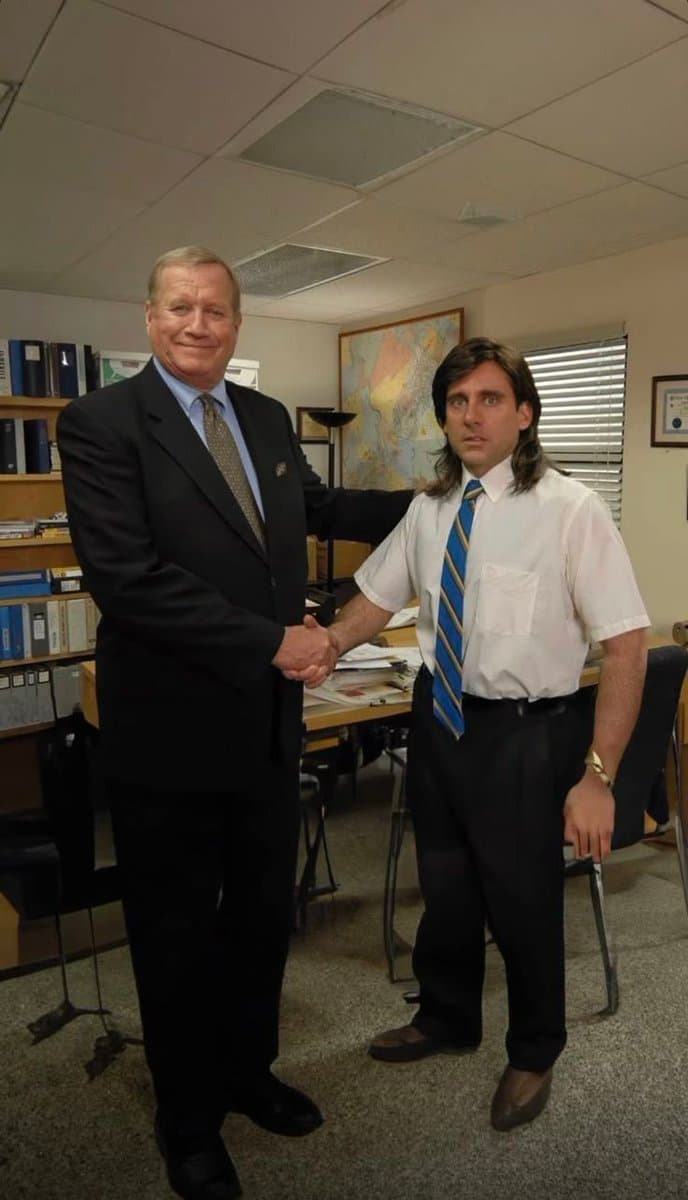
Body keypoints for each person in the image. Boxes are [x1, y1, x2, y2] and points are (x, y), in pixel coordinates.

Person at [57, 245, 412, 1200]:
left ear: (237, 322)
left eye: (216, 309)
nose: (198, 324)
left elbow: (319, 504)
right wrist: (273, 642)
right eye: (180, 307)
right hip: (168, 738)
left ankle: (248, 1074)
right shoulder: (99, 424)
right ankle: (187, 1123)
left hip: (265, 733)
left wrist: (432, 498)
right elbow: (128, 582)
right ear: (149, 316)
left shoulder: (260, 418)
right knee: (174, 938)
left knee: (261, 923)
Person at [319, 337, 649, 1132]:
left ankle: (535, 1047)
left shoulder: (571, 510)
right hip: (441, 719)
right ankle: (446, 1015)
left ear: (525, 412)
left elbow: (627, 646)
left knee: (524, 899)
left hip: (528, 735)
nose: (472, 415)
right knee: (447, 884)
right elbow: (376, 597)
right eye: (458, 401)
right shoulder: (431, 508)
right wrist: (325, 644)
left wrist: (597, 775)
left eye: (490, 399)